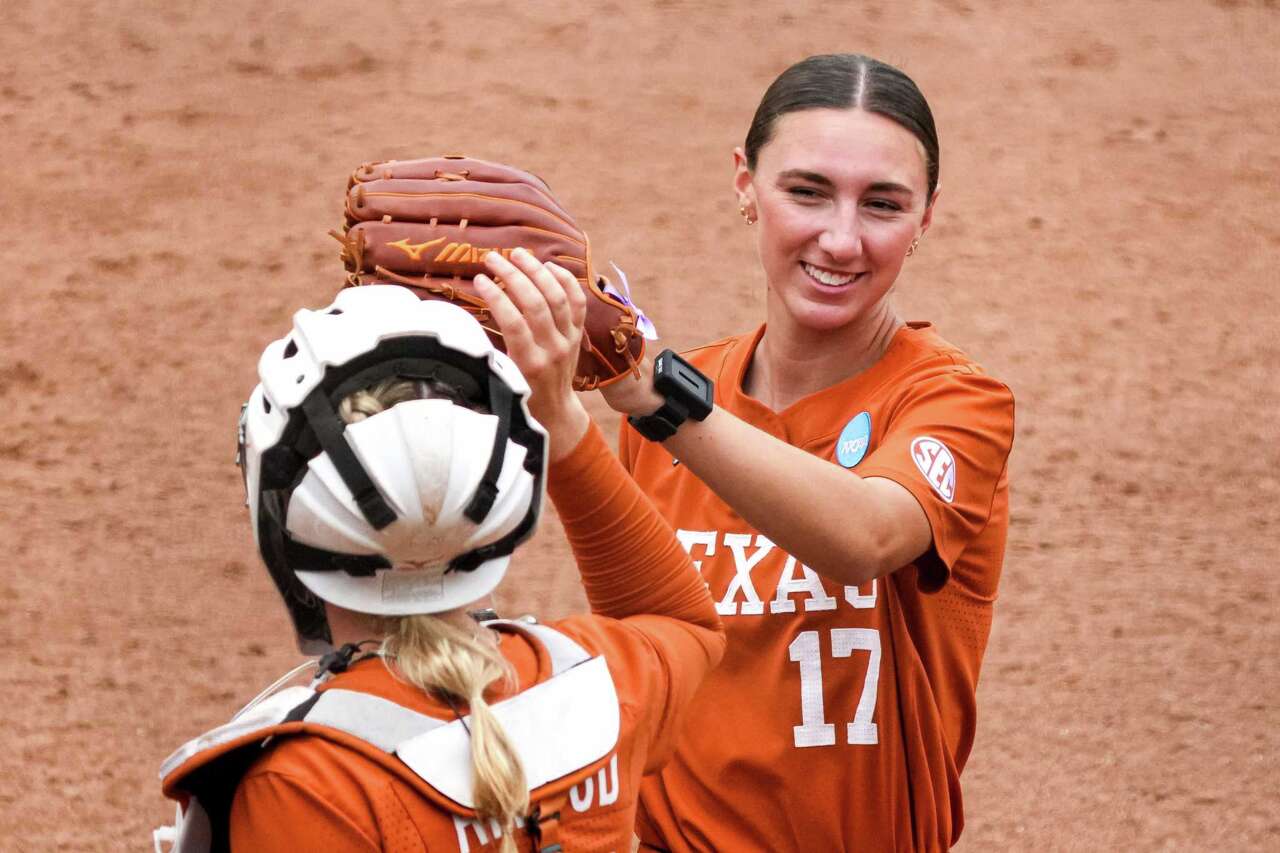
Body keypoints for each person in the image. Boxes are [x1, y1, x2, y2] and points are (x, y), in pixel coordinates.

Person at [157, 250, 725, 852]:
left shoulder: (308, 781)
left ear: (280, 518)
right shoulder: (602, 682)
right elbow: (680, 620)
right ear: (508, 486)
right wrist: (560, 421)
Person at [599, 54, 1016, 851]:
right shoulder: (664, 407)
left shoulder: (957, 403)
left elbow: (864, 539)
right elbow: (636, 653)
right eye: (807, 190)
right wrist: (554, 402)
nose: (842, 237)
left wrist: (659, 398)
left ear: (927, 216)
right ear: (744, 185)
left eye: (884, 204)